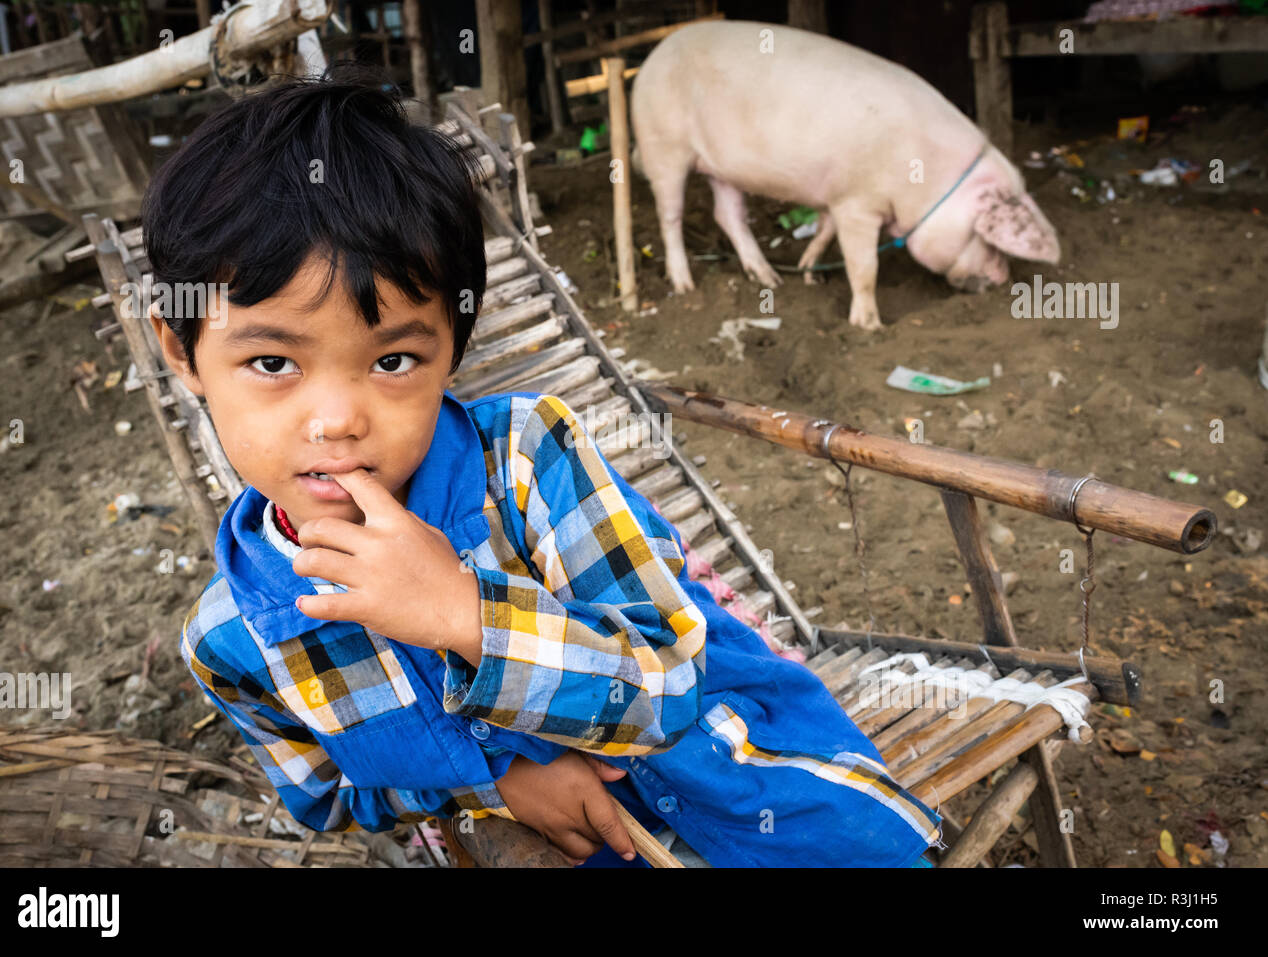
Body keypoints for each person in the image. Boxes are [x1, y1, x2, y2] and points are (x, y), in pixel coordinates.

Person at [149, 63, 943, 868]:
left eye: (393, 361)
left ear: (449, 348)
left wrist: (466, 613)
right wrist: (496, 782)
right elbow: (325, 794)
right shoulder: (231, 638)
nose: (337, 418)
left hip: (756, 797)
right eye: (274, 363)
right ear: (180, 348)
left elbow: (667, 681)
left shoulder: (529, 461)